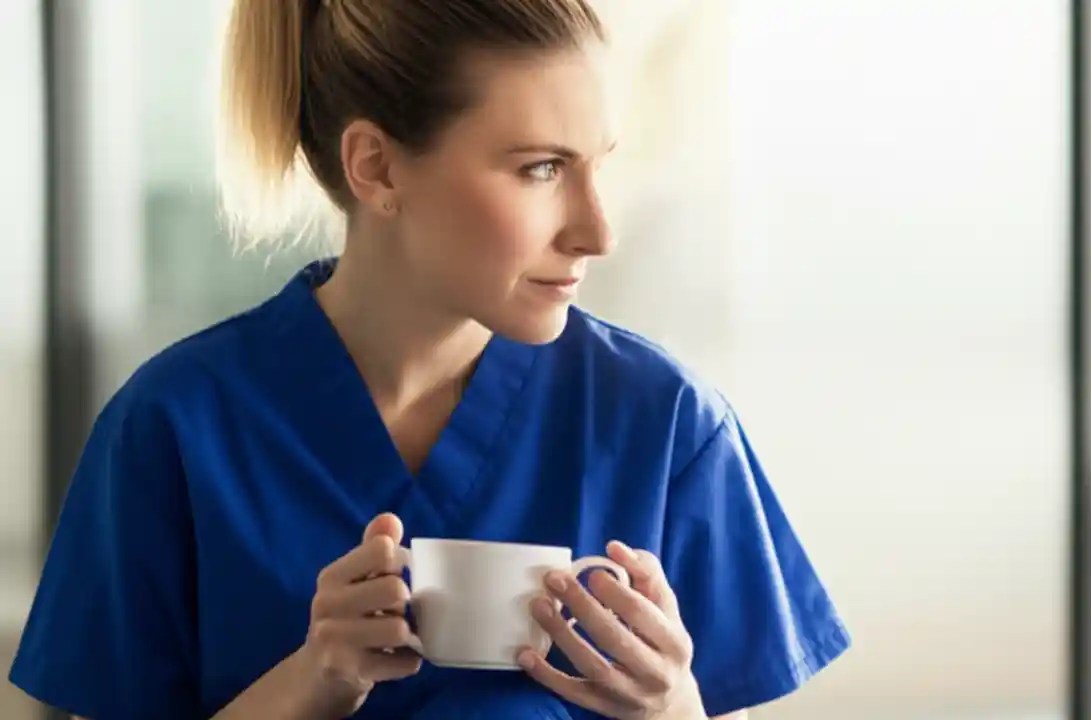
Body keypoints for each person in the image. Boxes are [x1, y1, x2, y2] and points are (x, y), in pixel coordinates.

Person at [8, 0, 850, 718]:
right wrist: (309, 681)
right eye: (542, 169)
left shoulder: (667, 427)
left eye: (600, 165)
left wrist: (672, 707)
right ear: (376, 168)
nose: (598, 230)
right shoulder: (171, 431)